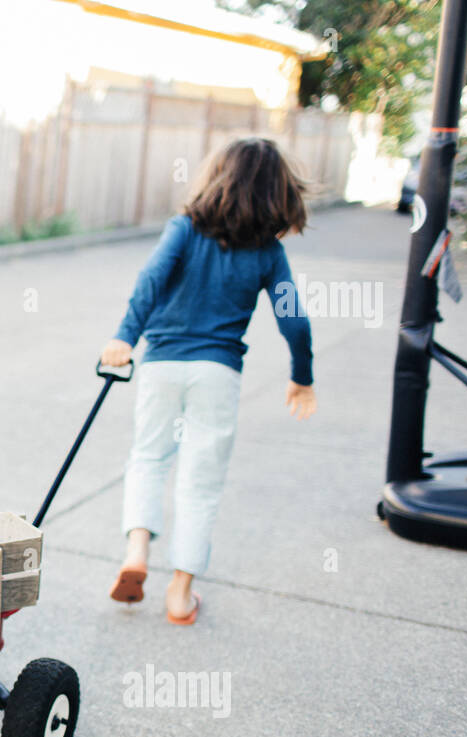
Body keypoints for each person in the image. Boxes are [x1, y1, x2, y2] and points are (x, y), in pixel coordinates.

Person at [99, 137, 317, 625]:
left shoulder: (184, 229)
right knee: (201, 480)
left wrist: (124, 337)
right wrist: (301, 376)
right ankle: (179, 594)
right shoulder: (268, 253)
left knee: (149, 457)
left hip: (161, 364)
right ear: (277, 193)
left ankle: (137, 549)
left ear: (216, 177)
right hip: (218, 373)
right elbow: (293, 318)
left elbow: (150, 279)